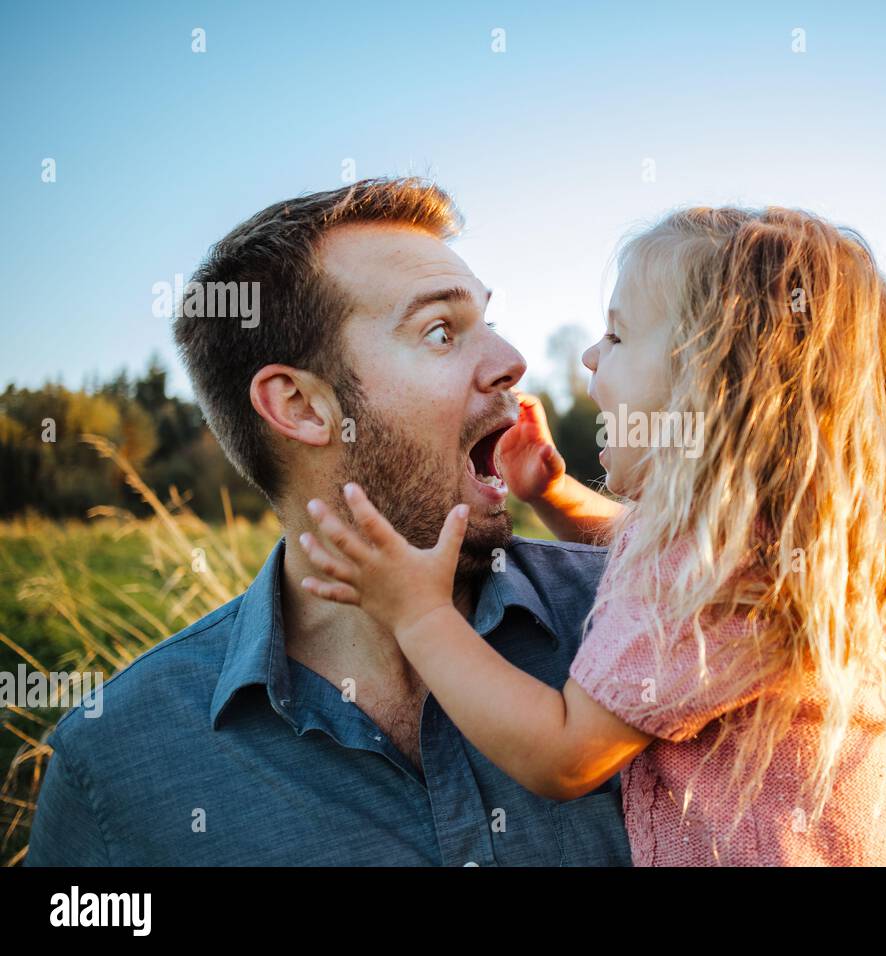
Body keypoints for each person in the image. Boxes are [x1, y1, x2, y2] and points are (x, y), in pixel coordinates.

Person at [299, 206, 886, 866]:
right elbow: (642, 546)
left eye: (615, 337)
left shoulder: (711, 566)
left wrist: (419, 613)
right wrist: (556, 496)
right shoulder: (769, 541)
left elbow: (563, 753)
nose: (588, 354)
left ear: (710, 384)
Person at [25, 178, 631, 866]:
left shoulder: (656, 624)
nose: (510, 361)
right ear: (302, 407)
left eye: (488, 322)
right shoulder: (116, 766)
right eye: (441, 331)